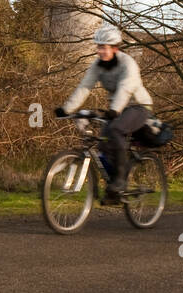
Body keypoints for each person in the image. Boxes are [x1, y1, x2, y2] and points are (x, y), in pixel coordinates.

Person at [54, 25, 153, 203]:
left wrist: (114, 110)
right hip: (117, 108)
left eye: (104, 47)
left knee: (115, 130)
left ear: (115, 48)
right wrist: (67, 109)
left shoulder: (128, 64)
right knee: (103, 145)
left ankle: (121, 181)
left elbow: (125, 88)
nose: (100, 51)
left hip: (138, 106)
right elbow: (84, 87)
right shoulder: (98, 65)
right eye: (98, 47)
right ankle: (113, 191)